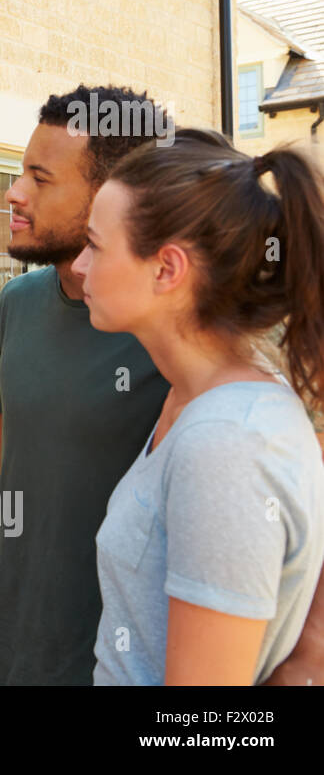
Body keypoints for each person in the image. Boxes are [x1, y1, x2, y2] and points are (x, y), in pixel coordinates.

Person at [74, 129, 324, 684]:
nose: (78, 267)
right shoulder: (190, 400)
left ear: (167, 269)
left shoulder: (229, 443)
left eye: (95, 245)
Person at [0, 85, 173, 685]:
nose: (15, 192)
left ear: (110, 200)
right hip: (10, 644)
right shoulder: (16, 303)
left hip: (112, 658)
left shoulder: (163, 332)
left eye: (41, 178)